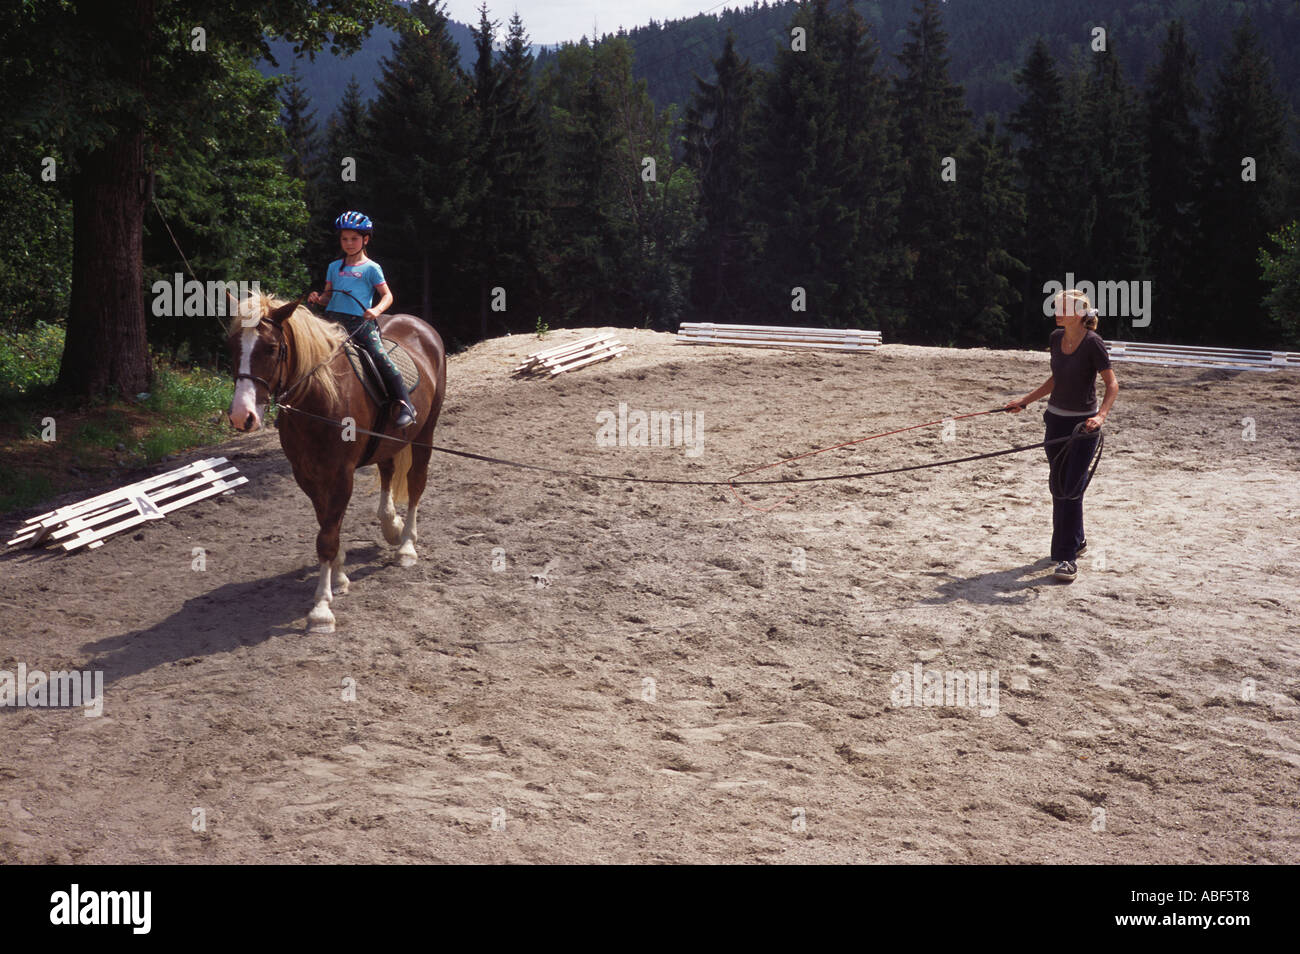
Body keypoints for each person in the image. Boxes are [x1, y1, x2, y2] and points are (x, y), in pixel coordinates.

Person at [1005, 288, 1119, 582]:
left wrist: (1100, 416)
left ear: (1080, 313)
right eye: (1056, 306)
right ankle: (1077, 540)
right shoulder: (1056, 339)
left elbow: (1112, 385)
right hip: (1055, 422)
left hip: (1083, 427)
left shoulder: (1094, 343)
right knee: (1060, 485)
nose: (1057, 311)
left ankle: (1066, 557)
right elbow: (1057, 378)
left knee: (1070, 488)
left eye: (1063, 307)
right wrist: (1025, 401)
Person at [307, 211, 417, 428]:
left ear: (365, 239)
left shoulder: (371, 268)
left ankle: (405, 403)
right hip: (332, 321)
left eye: (354, 239)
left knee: (379, 355)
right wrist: (318, 298)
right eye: (344, 239)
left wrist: (376, 310)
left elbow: (388, 295)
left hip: (360, 323)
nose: (349, 243)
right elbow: (328, 296)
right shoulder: (334, 267)